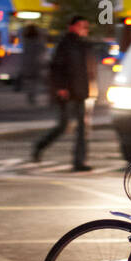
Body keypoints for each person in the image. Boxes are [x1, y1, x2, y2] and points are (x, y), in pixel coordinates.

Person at [31, 15, 93, 171]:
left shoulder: (83, 45)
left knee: (81, 128)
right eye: (81, 26)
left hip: (80, 92)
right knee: (63, 126)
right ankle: (40, 146)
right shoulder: (65, 44)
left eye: (86, 27)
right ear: (71, 27)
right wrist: (61, 88)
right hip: (67, 93)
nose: (84, 29)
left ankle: (79, 161)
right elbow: (56, 68)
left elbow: (86, 70)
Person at [17, 22, 44, 105]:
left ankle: (30, 95)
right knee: (34, 81)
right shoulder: (38, 40)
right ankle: (32, 96)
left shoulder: (25, 39)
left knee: (29, 81)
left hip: (27, 62)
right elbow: (41, 50)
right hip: (35, 62)